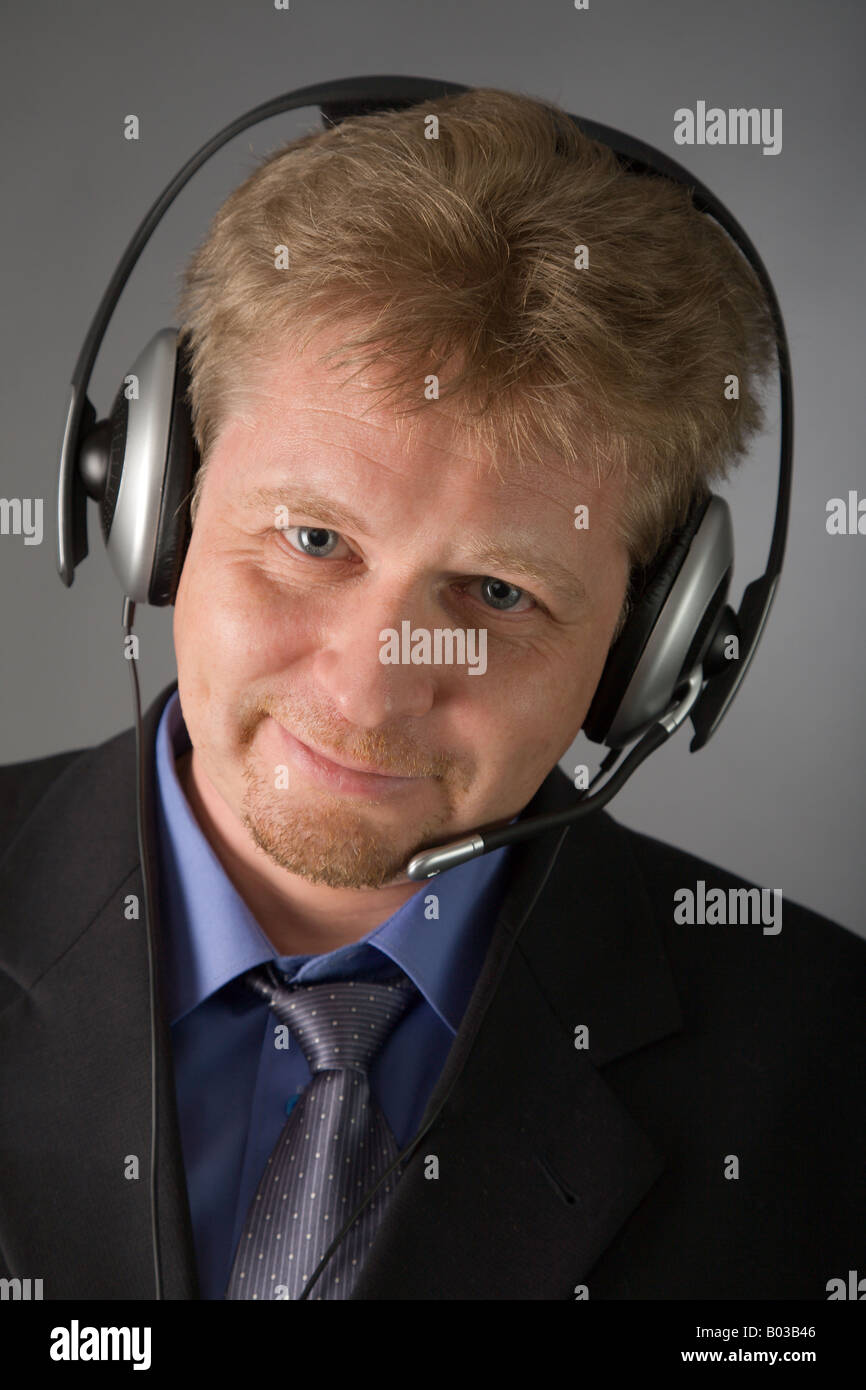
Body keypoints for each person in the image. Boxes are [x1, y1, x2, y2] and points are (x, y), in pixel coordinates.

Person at [1, 87, 863, 1302]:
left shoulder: (829, 1069)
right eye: (310, 538)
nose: (368, 684)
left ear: (650, 652)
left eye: (498, 594)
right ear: (156, 504)